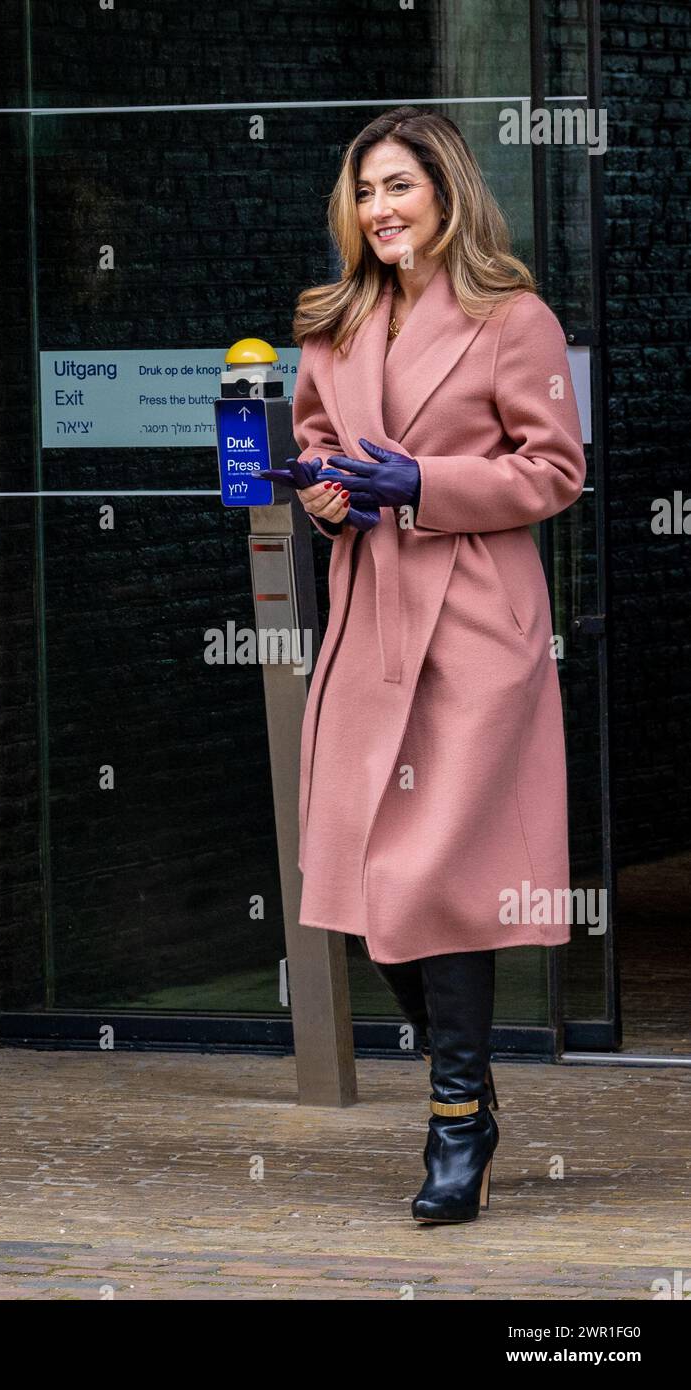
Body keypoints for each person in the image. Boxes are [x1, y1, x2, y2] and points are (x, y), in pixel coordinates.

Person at [268, 106, 586, 1224]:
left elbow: (553, 471)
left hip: (471, 626)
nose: (379, 210)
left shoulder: (514, 319)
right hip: (367, 616)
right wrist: (324, 492)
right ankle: (470, 1097)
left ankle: (456, 1119)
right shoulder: (334, 321)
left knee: (431, 882)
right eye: (362, 193)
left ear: (445, 192)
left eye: (397, 186)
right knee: (358, 883)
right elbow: (312, 441)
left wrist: (428, 486)